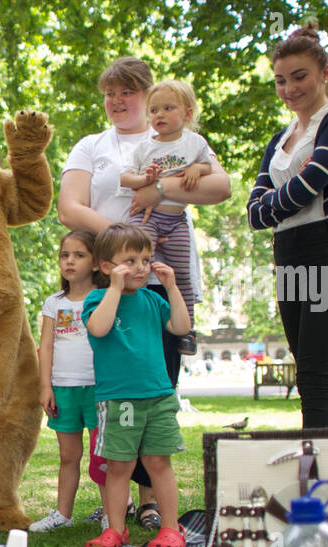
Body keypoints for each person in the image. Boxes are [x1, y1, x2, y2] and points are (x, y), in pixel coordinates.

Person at [57, 56, 231, 531]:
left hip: (160, 278)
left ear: (151, 97)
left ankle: (151, 498)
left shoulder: (181, 138)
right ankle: (111, 494)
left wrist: (163, 191)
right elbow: (69, 207)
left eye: (127, 92)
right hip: (110, 279)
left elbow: (221, 187)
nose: (117, 101)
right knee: (111, 386)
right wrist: (123, 239)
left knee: (158, 379)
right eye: (109, 93)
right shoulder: (93, 145)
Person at [247, 27, 328, 429]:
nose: (289, 88)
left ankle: (318, 483)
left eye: (299, 76)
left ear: (325, 73)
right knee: (322, 377)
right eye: (280, 80)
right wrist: (280, 198)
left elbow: (311, 183)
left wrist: (274, 202)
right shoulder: (280, 139)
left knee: (314, 378)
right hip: (290, 258)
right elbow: (253, 214)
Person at [82, 224, 189, 547]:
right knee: (119, 467)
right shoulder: (98, 298)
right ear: (105, 266)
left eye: (146, 259)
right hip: (119, 400)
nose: (142, 267)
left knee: (159, 463)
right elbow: (98, 329)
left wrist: (171, 287)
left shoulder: (153, 300)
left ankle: (171, 528)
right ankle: (116, 529)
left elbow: (182, 327)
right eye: (131, 260)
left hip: (158, 396)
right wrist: (114, 287)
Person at [119, 80, 215, 355]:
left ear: (187, 113)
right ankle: (132, 319)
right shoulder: (144, 147)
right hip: (146, 219)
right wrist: (144, 179)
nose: (159, 115)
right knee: (136, 267)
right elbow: (125, 177)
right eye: (154, 110)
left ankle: (188, 330)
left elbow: (210, 167)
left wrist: (198, 167)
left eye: (168, 108)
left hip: (176, 220)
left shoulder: (195, 142)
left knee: (182, 272)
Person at [32, 230, 102, 532]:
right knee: (68, 455)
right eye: (65, 255)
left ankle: (113, 514)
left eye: (79, 255)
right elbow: (45, 345)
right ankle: (63, 513)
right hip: (63, 389)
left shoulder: (104, 298)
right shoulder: (54, 303)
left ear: (97, 263)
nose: (69, 261)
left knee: (105, 457)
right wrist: (45, 386)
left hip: (100, 388)